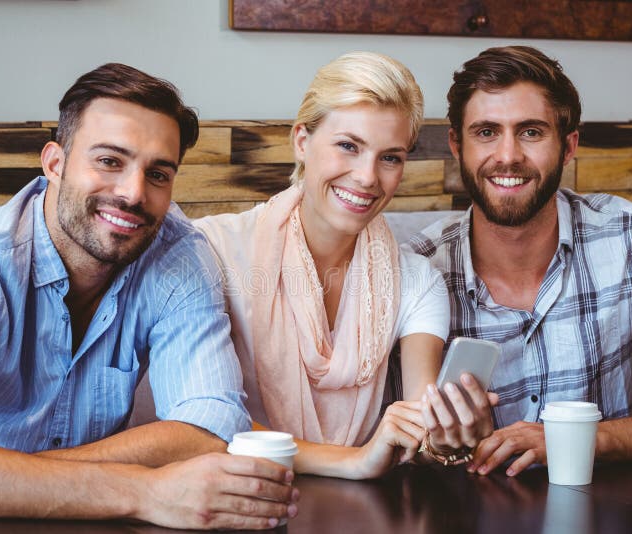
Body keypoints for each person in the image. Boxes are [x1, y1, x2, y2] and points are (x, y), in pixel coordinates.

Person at [0, 63, 298, 530]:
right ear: (54, 163)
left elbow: (213, 423)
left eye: (158, 174)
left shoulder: (179, 254)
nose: (134, 194)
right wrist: (142, 490)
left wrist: (6, 478)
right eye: (110, 161)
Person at [406, 45, 632, 477]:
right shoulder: (418, 271)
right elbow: (392, 442)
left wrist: (586, 439)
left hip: (610, 507)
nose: (509, 155)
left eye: (531, 132)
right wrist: (441, 447)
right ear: (457, 145)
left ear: (568, 146)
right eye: (486, 132)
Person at [195, 51, 496, 480]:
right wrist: (355, 461)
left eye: (390, 157)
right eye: (348, 146)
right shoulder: (214, 249)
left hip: (357, 510)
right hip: (231, 495)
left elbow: (422, 428)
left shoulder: (415, 281)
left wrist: (446, 437)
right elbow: (205, 425)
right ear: (302, 141)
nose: (368, 177)